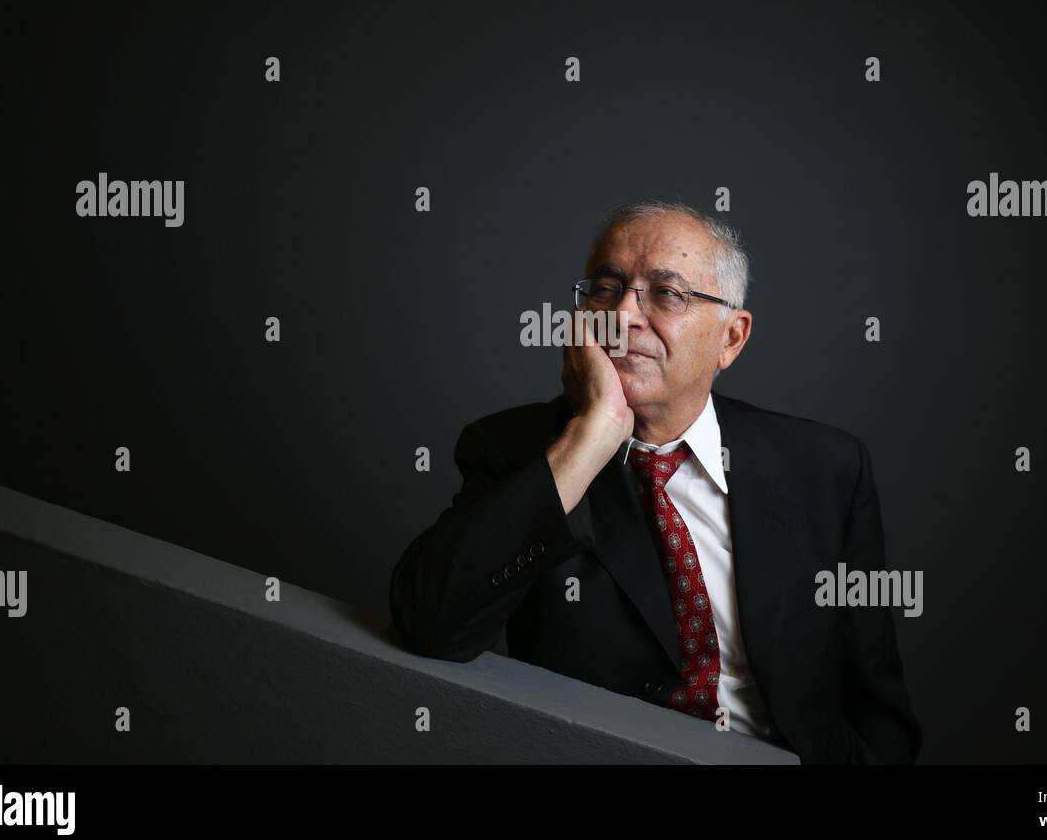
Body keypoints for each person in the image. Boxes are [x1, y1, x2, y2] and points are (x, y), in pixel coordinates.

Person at [388, 200, 922, 764]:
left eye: (666, 294)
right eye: (605, 288)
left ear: (731, 339)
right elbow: (432, 623)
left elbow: (875, 703)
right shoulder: (517, 453)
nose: (622, 316)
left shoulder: (825, 467)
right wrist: (592, 436)